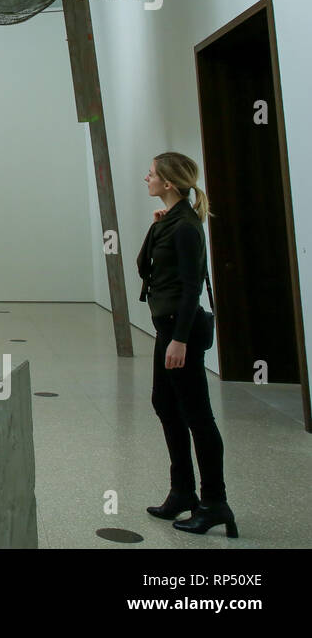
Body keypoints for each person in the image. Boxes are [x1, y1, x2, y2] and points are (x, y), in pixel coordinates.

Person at [135, 151, 237, 537]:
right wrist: (153, 227)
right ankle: (182, 492)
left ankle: (215, 502)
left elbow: (193, 287)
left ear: (168, 183)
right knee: (165, 404)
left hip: (182, 332)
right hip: (168, 329)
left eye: (151, 174)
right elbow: (144, 267)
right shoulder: (170, 222)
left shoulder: (187, 227)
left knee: (198, 415)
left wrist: (178, 341)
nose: (146, 178)